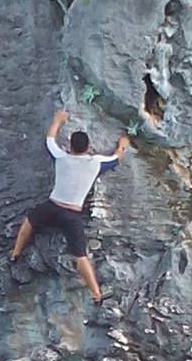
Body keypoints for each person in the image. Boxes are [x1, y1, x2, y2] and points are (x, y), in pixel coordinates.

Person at [10, 108, 128, 305]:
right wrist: (122, 145)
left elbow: (49, 141)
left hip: (52, 206)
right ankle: (96, 294)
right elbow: (117, 158)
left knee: (29, 221)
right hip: (72, 215)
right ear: (88, 147)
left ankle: (15, 253)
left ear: (70, 146)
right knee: (80, 255)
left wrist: (58, 120)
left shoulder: (62, 158)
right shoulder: (95, 163)